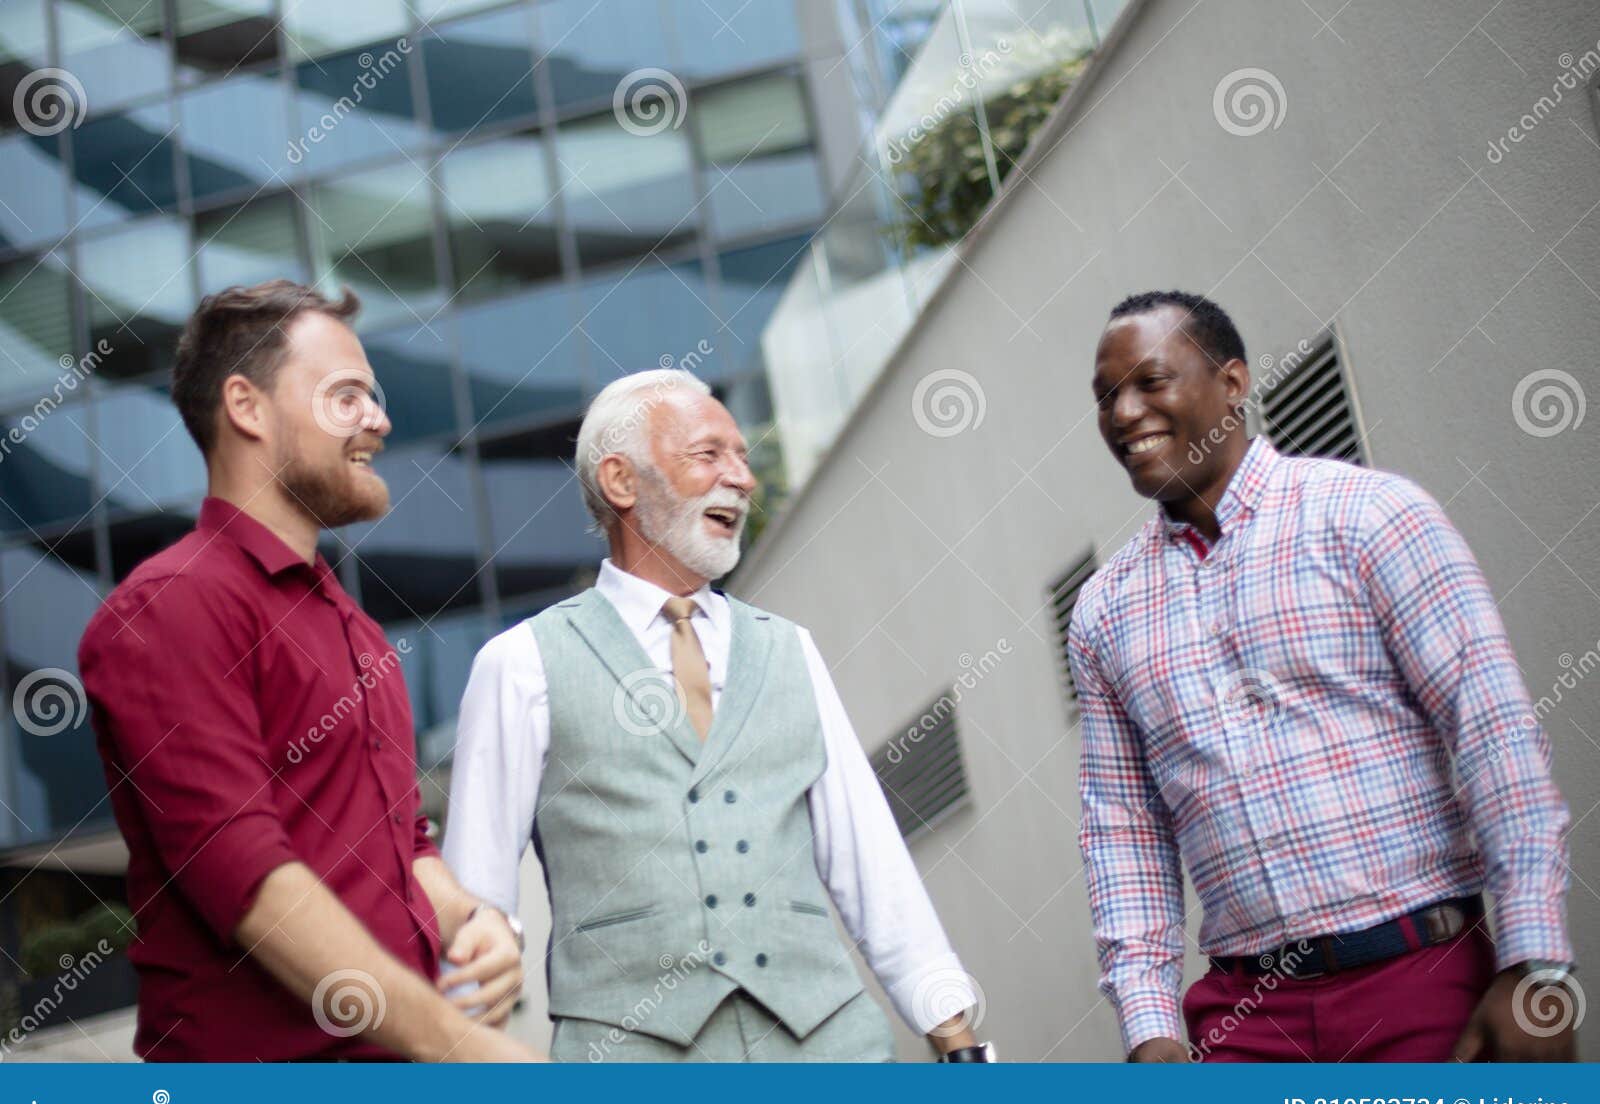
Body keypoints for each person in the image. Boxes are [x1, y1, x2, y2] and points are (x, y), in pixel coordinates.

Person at [1070, 289, 1577, 1062]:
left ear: (1232, 384)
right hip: (1244, 1022)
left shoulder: (1372, 516)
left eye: (1149, 381)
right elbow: (1123, 829)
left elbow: (1493, 732)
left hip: (1422, 982)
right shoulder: (1104, 610)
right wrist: (1149, 1023)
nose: (1124, 412)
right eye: (1107, 396)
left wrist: (1535, 962)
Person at [443, 369, 991, 1062]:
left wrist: (957, 1042)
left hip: (832, 1047)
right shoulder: (519, 663)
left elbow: (870, 858)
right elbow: (475, 904)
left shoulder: (789, 648)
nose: (742, 477)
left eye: (742, 456)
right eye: (709, 454)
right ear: (621, 481)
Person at [78, 280, 540, 1062]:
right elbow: (251, 880)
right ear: (247, 407)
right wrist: (462, 1045)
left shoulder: (356, 629)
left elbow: (402, 846)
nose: (379, 420)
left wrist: (473, 918)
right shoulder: (169, 605)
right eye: (347, 396)